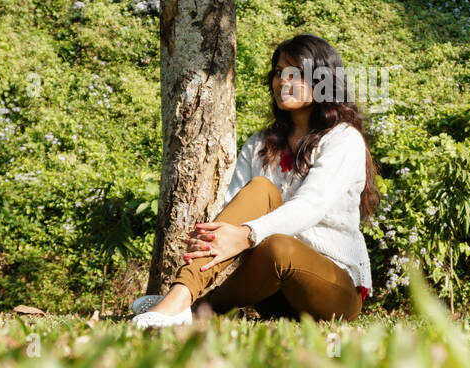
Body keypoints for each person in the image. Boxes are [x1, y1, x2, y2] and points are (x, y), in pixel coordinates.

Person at [132, 34, 379, 328]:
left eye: (296, 73)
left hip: (333, 290)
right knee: (261, 190)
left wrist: (248, 234)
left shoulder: (343, 138)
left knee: (278, 246)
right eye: (278, 72)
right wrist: (230, 235)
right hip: (271, 288)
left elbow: (312, 205)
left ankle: (191, 308)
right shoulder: (261, 143)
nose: (282, 81)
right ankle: (180, 297)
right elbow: (233, 210)